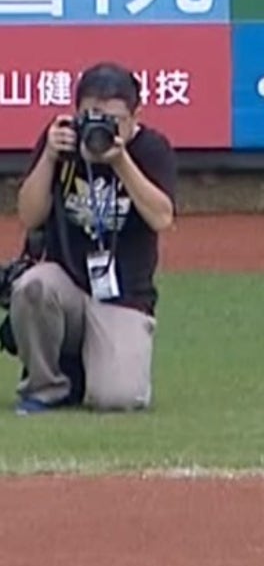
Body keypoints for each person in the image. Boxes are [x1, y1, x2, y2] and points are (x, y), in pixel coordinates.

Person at [9, 62, 178, 414]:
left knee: (116, 399)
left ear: (135, 116)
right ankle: (44, 387)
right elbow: (29, 215)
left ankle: (88, 367)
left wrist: (120, 161)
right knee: (32, 286)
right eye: (93, 116)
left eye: (115, 120)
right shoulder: (62, 141)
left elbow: (162, 217)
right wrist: (50, 157)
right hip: (66, 283)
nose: (102, 128)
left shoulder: (151, 149)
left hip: (123, 294)